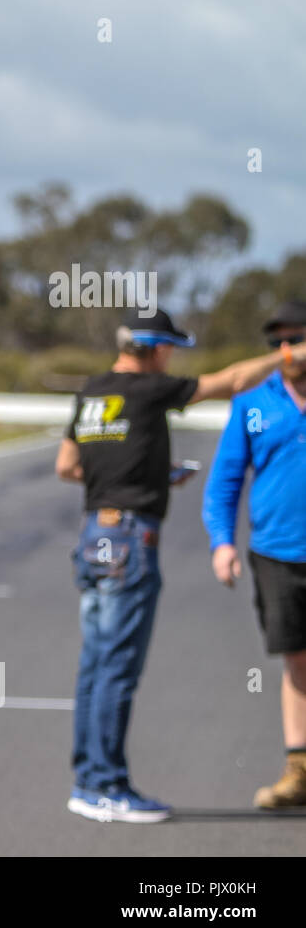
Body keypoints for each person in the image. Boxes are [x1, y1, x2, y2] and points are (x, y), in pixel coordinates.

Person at [55, 307, 306, 823]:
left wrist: (143, 475)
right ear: (150, 346)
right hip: (129, 539)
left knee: (95, 666)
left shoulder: (91, 392)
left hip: (94, 535)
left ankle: (89, 780)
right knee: (118, 669)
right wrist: (287, 354)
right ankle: (107, 786)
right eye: (168, 347)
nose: (171, 357)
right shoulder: (150, 389)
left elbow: (69, 466)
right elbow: (233, 380)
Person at [201, 300, 306, 808]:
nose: (287, 351)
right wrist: (222, 543)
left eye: (297, 338)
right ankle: (299, 770)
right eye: (278, 342)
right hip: (277, 552)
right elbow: (223, 482)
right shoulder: (252, 402)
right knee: (297, 660)